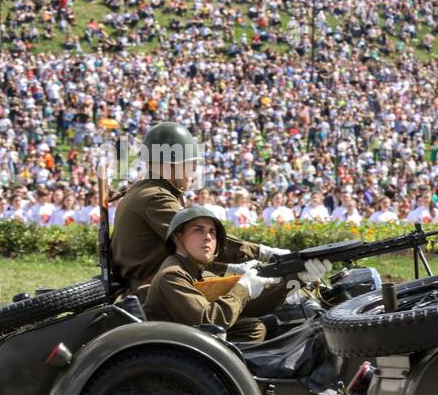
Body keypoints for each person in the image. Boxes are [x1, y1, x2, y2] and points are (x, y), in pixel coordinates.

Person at [112, 122, 281, 290]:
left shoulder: (144, 190)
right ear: (169, 165)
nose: (193, 172)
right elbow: (197, 239)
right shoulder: (156, 197)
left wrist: (231, 266)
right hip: (154, 292)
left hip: (155, 284)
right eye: (189, 164)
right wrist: (262, 252)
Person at [144, 206, 330, 344]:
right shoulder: (173, 275)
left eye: (212, 232)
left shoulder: (196, 270)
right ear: (177, 237)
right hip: (176, 353)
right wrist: (243, 288)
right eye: (198, 230)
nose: (208, 237)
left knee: (253, 326)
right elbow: (210, 321)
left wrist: (297, 279)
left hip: (188, 347)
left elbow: (250, 307)